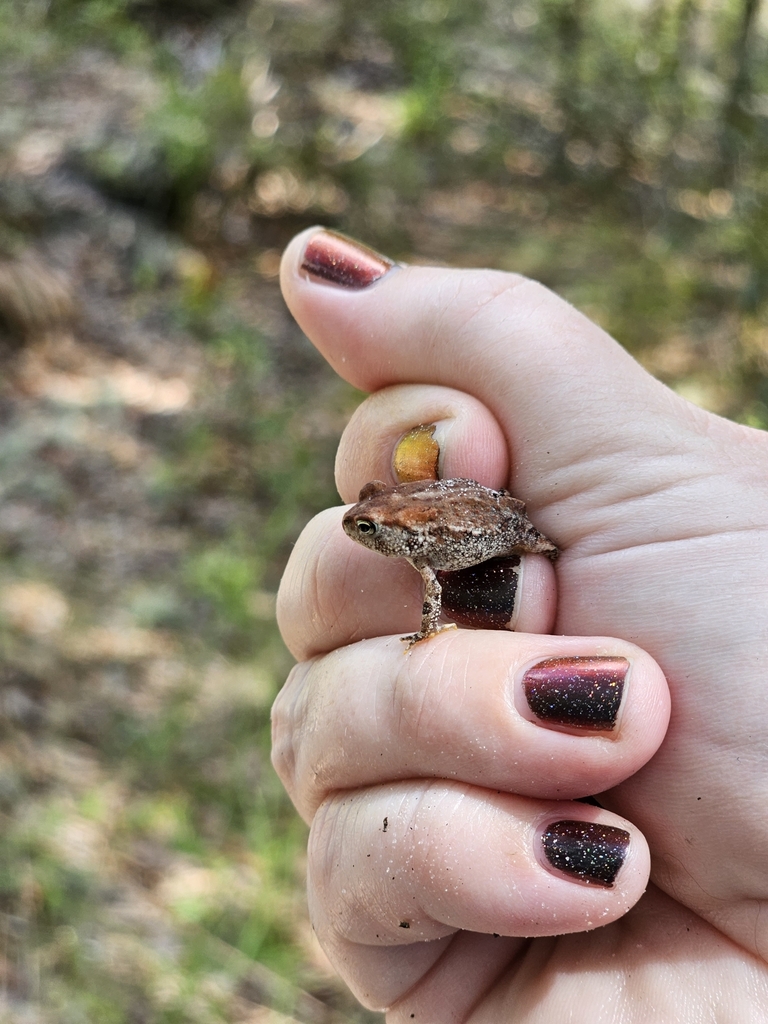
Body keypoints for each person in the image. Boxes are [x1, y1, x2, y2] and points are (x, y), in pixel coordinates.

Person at [272, 227, 768, 1021]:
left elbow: (435, 590)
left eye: (368, 529)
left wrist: (431, 634)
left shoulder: (423, 555)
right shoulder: (410, 542)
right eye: (364, 524)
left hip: (503, 528)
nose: (359, 534)